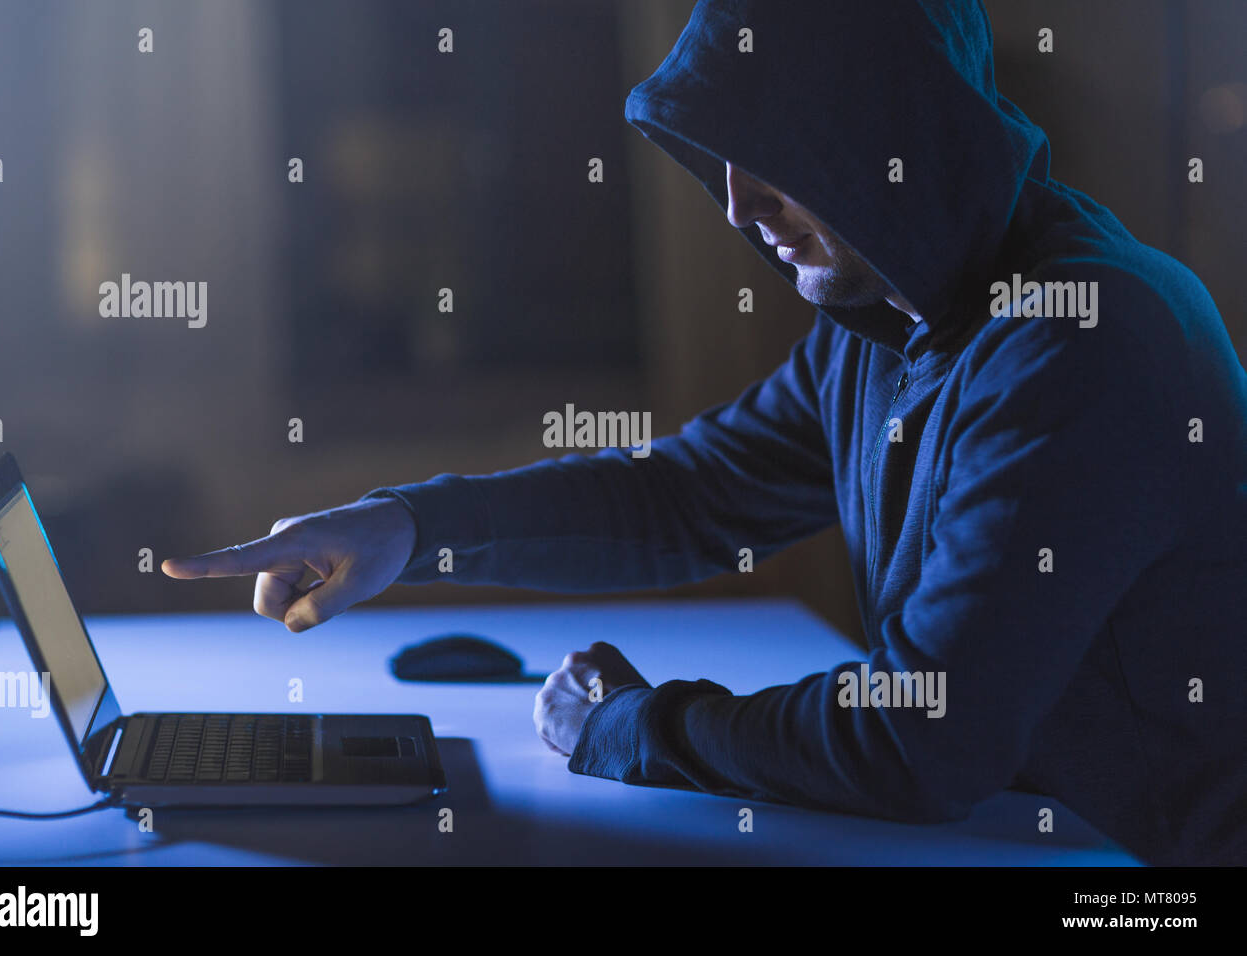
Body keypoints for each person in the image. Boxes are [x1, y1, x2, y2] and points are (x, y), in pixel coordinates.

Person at [163, 0, 1247, 865]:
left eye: (771, 149)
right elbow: (683, 495)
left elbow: (920, 740)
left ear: (885, 127)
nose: (733, 205)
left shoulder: (1080, 342)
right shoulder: (891, 318)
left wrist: (630, 726)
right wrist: (408, 525)